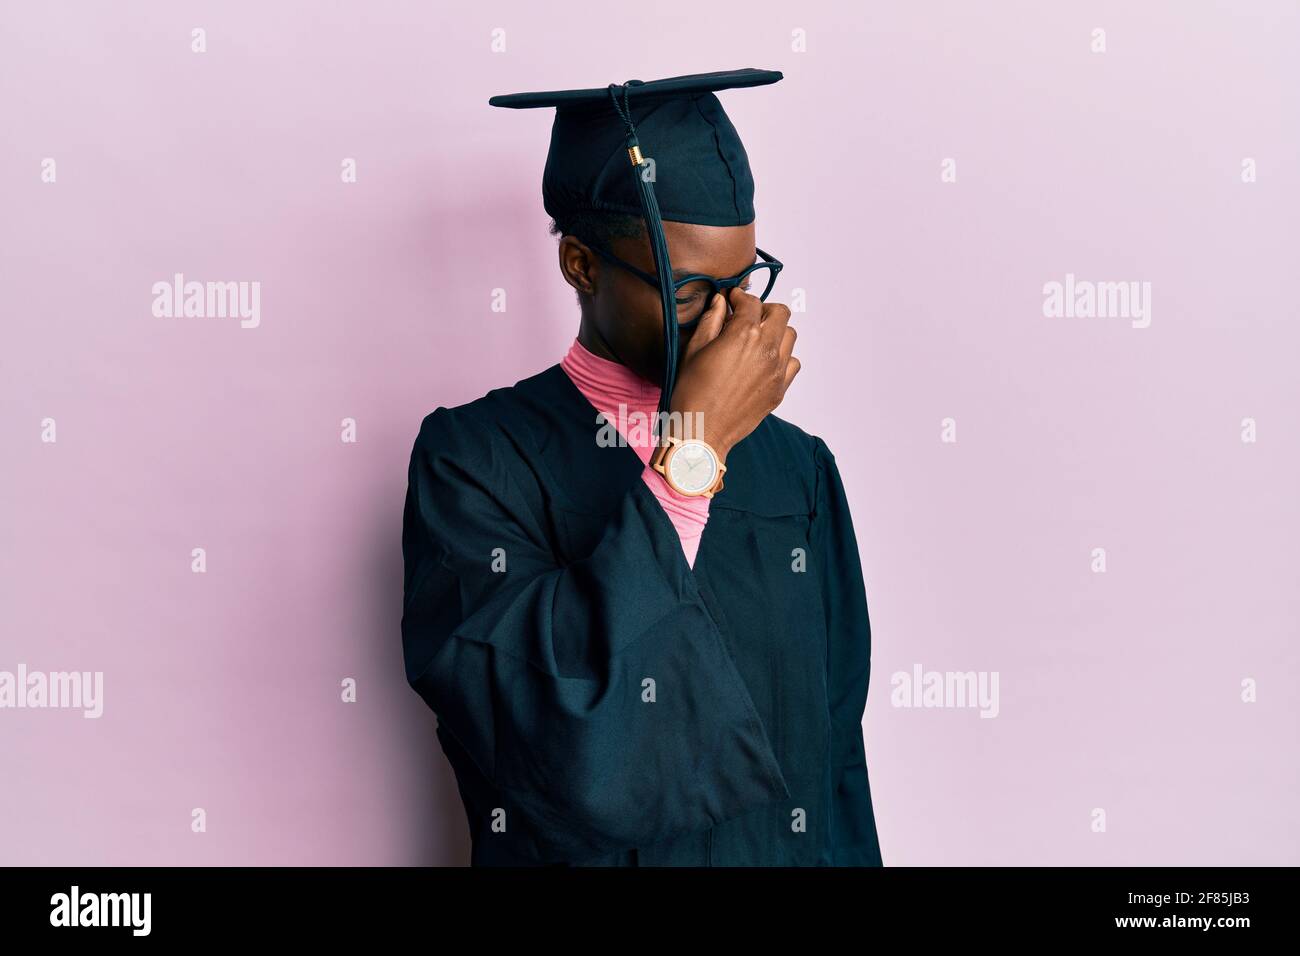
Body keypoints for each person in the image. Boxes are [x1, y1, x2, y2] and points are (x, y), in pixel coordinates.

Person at [401, 69, 882, 866]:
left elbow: (835, 766)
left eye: (743, 283)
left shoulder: (799, 473)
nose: (730, 321)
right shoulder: (474, 463)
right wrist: (695, 449)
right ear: (583, 266)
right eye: (692, 290)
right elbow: (549, 737)